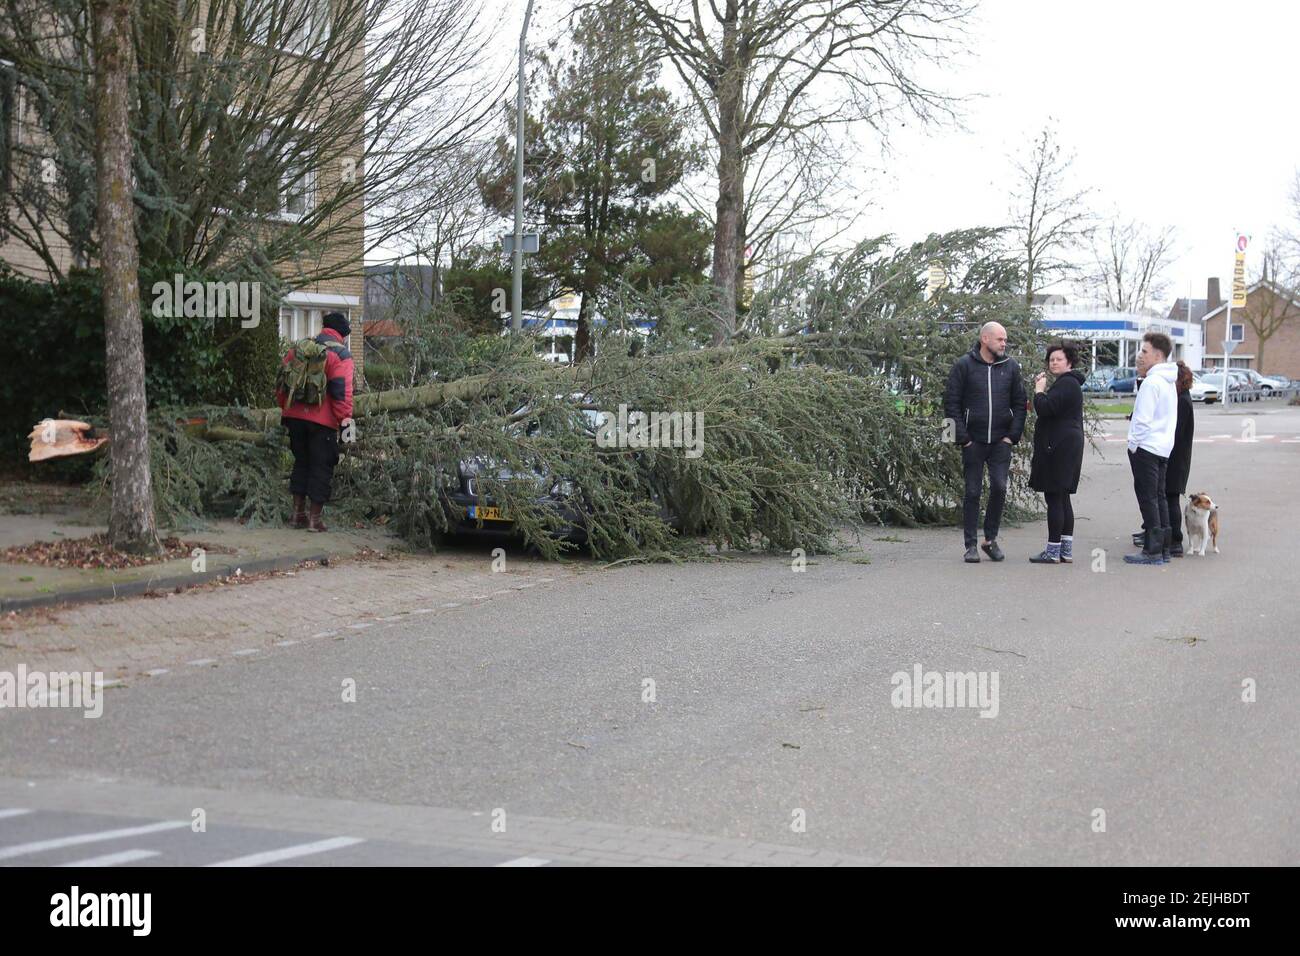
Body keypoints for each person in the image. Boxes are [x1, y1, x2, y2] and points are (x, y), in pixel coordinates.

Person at [944, 321, 1027, 563]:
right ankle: (970, 545)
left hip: (1000, 442)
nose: (1004, 343)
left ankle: (990, 540)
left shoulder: (1010, 366)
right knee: (972, 492)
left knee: (1000, 488)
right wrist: (962, 439)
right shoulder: (964, 365)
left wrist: (1011, 437)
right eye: (1000, 339)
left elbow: (1020, 403)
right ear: (985, 339)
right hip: (973, 441)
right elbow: (950, 403)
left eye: (1005, 339)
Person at [277, 312, 355, 532]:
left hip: (294, 418)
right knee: (322, 466)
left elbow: (282, 383)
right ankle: (314, 520)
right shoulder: (341, 355)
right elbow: (341, 394)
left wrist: (286, 408)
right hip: (323, 422)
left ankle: (296, 515)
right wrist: (346, 423)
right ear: (342, 335)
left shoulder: (299, 349)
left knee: (301, 461)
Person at [1026, 341, 1086, 564]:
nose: (1054, 362)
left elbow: (1045, 409)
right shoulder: (1069, 384)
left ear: (1069, 361)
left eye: (1059, 359)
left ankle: (1053, 551)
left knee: (1055, 497)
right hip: (1067, 444)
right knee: (1063, 497)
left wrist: (1039, 391)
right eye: (1051, 359)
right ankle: (1065, 550)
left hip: (1059, 446)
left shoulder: (1066, 384)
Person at [1123, 332, 1177, 565]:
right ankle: (1163, 548)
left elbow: (1142, 420)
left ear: (1158, 355)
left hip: (1146, 448)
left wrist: (1133, 445)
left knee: (1148, 498)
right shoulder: (1168, 381)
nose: (1140, 356)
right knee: (1159, 497)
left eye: (1144, 352)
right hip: (1162, 448)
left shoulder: (1152, 382)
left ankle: (1152, 551)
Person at [1163, 361, 1195, 558]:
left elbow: (1175, 431)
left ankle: (1176, 541)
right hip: (1177, 457)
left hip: (1176, 458)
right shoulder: (1182, 398)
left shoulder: (1182, 401)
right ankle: (1169, 537)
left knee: (1171, 497)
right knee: (1168, 497)